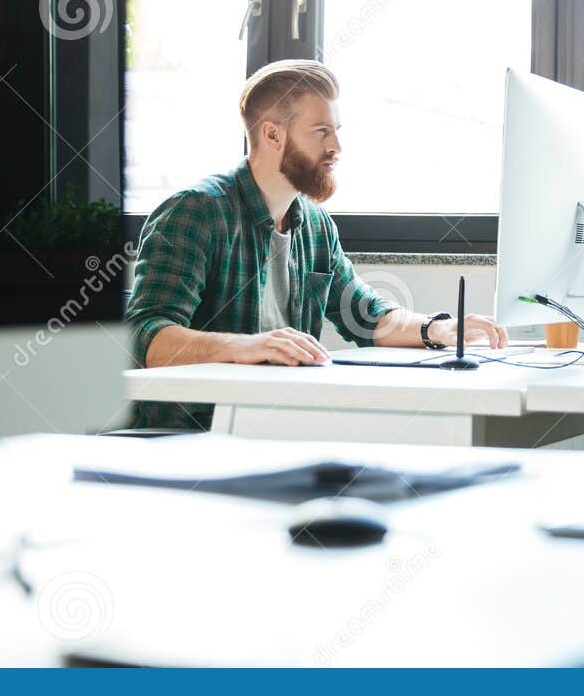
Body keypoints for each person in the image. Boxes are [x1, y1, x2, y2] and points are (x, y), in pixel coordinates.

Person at [125, 59, 507, 430]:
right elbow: (144, 335)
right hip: (192, 434)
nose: (337, 146)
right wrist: (245, 347)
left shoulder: (314, 223)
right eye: (322, 131)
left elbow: (367, 316)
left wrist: (437, 329)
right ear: (272, 135)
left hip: (277, 425)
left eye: (337, 130)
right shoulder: (197, 211)